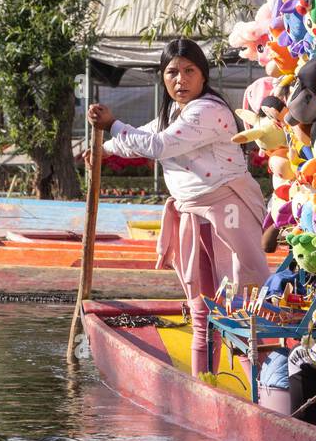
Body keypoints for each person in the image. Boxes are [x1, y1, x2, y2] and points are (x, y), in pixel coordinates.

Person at [88, 37, 269, 375]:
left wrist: (112, 125)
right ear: (163, 77)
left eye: (189, 71)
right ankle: (204, 378)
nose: (180, 80)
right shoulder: (173, 110)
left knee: (239, 301)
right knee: (199, 303)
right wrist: (106, 148)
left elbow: (160, 145)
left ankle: (263, 384)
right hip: (191, 211)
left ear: (203, 77)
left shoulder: (208, 110)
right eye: (172, 72)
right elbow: (146, 135)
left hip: (226, 207)